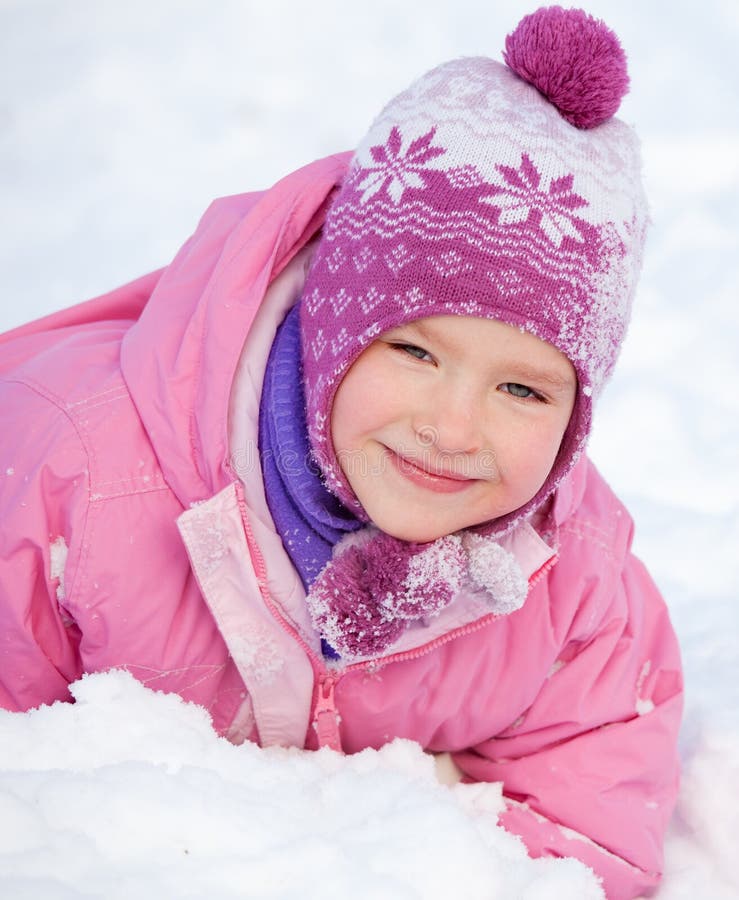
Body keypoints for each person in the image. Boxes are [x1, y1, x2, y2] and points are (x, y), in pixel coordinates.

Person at [0, 7, 682, 897]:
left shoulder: (573, 583)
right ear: (328, 327)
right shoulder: (76, 482)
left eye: (521, 390)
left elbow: (589, 837)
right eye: (413, 351)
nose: (452, 428)